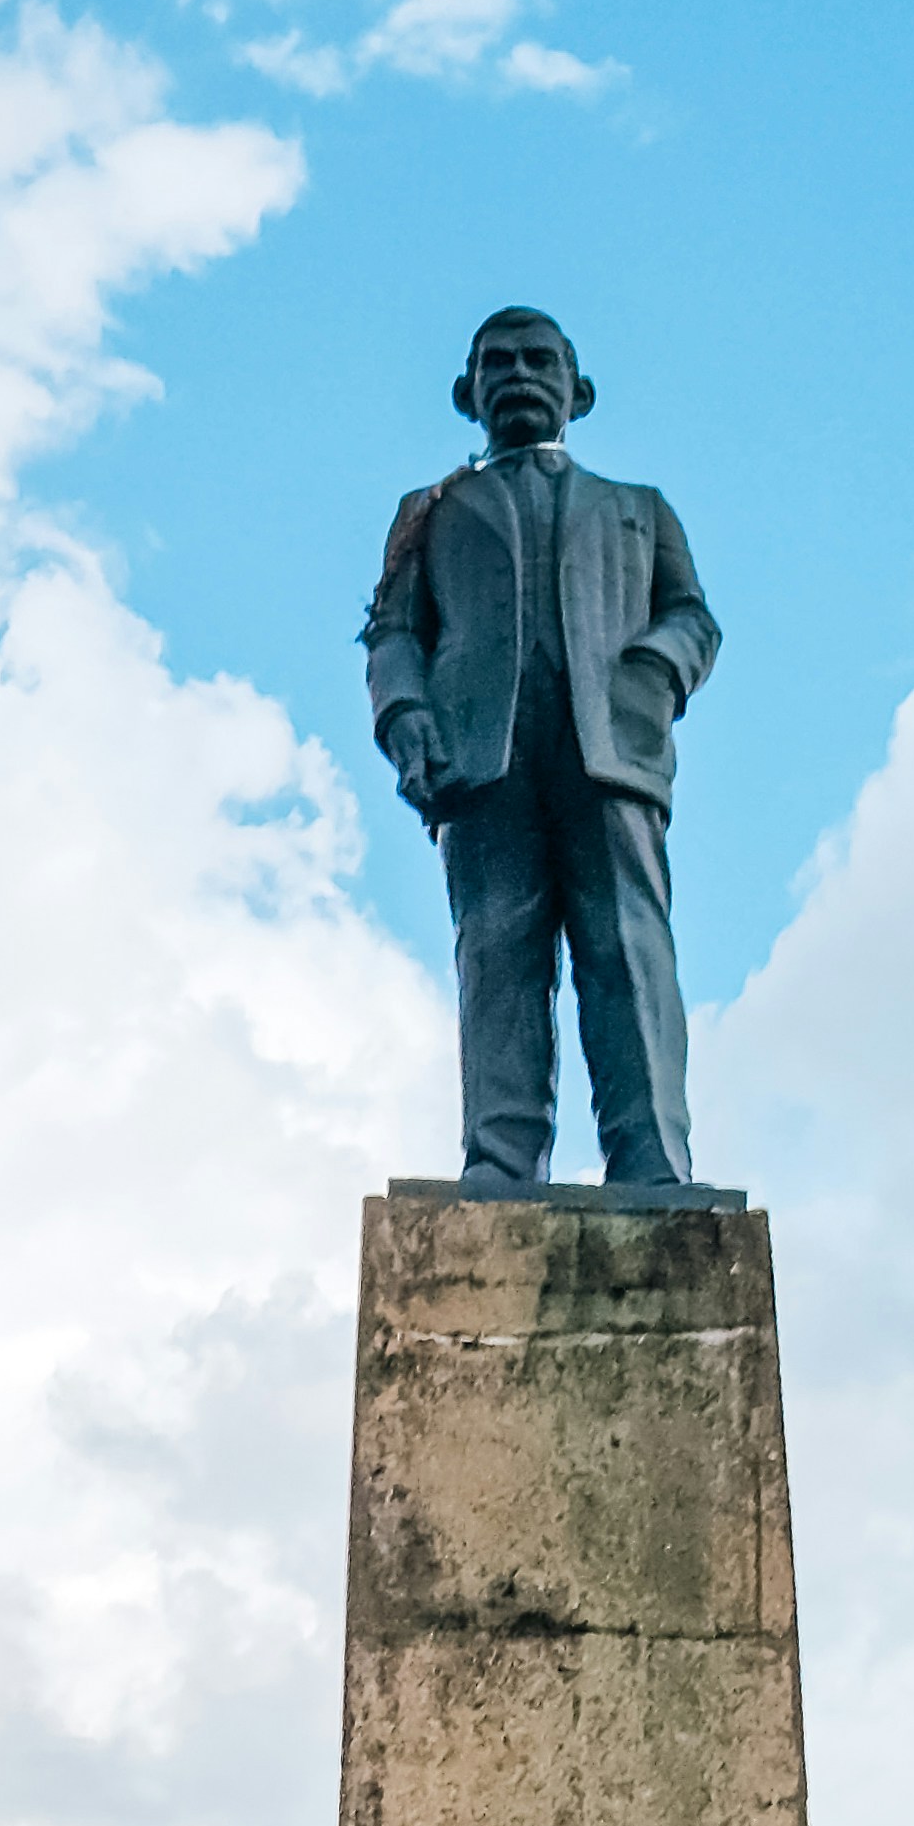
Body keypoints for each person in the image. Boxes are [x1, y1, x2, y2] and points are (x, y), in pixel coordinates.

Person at [363, 306, 723, 1194]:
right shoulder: (430, 513)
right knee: (496, 950)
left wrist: (652, 671)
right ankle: (501, 1157)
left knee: (628, 945)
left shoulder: (638, 511)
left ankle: (650, 1157)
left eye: (538, 359)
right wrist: (405, 713)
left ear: (579, 389)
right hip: (482, 759)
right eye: (496, 362)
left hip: (612, 752)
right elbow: (391, 634)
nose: (518, 373)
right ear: (466, 392)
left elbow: (692, 619)